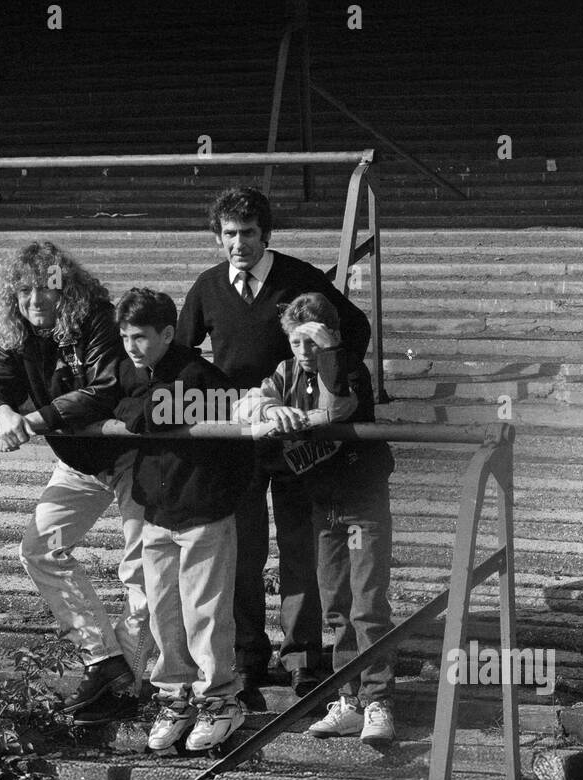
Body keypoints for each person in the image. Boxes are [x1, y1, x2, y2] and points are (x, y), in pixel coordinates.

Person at [176, 186, 371, 709]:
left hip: (296, 440)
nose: (238, 244)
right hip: (240, 438)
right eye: (230, 235)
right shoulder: (208, 287)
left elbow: (354, 331)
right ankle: (247, 652)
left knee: (298, 545)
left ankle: (303, 656)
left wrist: (327, 389)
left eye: (248, 234)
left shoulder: (300, 278)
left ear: (266, 235)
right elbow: (181, 355)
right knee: (242, 549)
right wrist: (220, 403)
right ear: (218, 237)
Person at [0, 240, 147, 725]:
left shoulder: (97, 317)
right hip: (79, 461)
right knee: (39, 548)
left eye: (45, 290)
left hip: (133, 456)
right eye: (23, 291)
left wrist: (35, 420)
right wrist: (4, 410)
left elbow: (103, 390)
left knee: (140, 572)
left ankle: (133, 678)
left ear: (65, 290)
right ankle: (106, 661)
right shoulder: (15, 329)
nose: (34, 301)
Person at [235, 292, 397, 745]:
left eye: (314, 342)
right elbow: (249, 404)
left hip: (361, 498)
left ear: (334, 339)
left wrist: (327, 355)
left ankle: (379, 698)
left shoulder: (347, 368)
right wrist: (272, 410)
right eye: (297, 342)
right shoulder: (285, 372)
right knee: (335, 606)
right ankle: (347, 698)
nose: (304, 352)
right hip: (322, 504)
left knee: (368, 605)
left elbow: (338, 406)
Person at [112, 288, 251, 751]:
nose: (131, 346)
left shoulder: (198, 374)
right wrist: (134, 408)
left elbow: (150, 412)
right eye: (125, 336)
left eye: (141, 337)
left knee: (205, 613)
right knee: (165, 614)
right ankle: (176, 698)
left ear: (168, 333)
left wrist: (134, 409)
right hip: (157, 512)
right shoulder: (141, 373)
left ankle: (220, 700)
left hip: (203, 513)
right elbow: (132, 408)